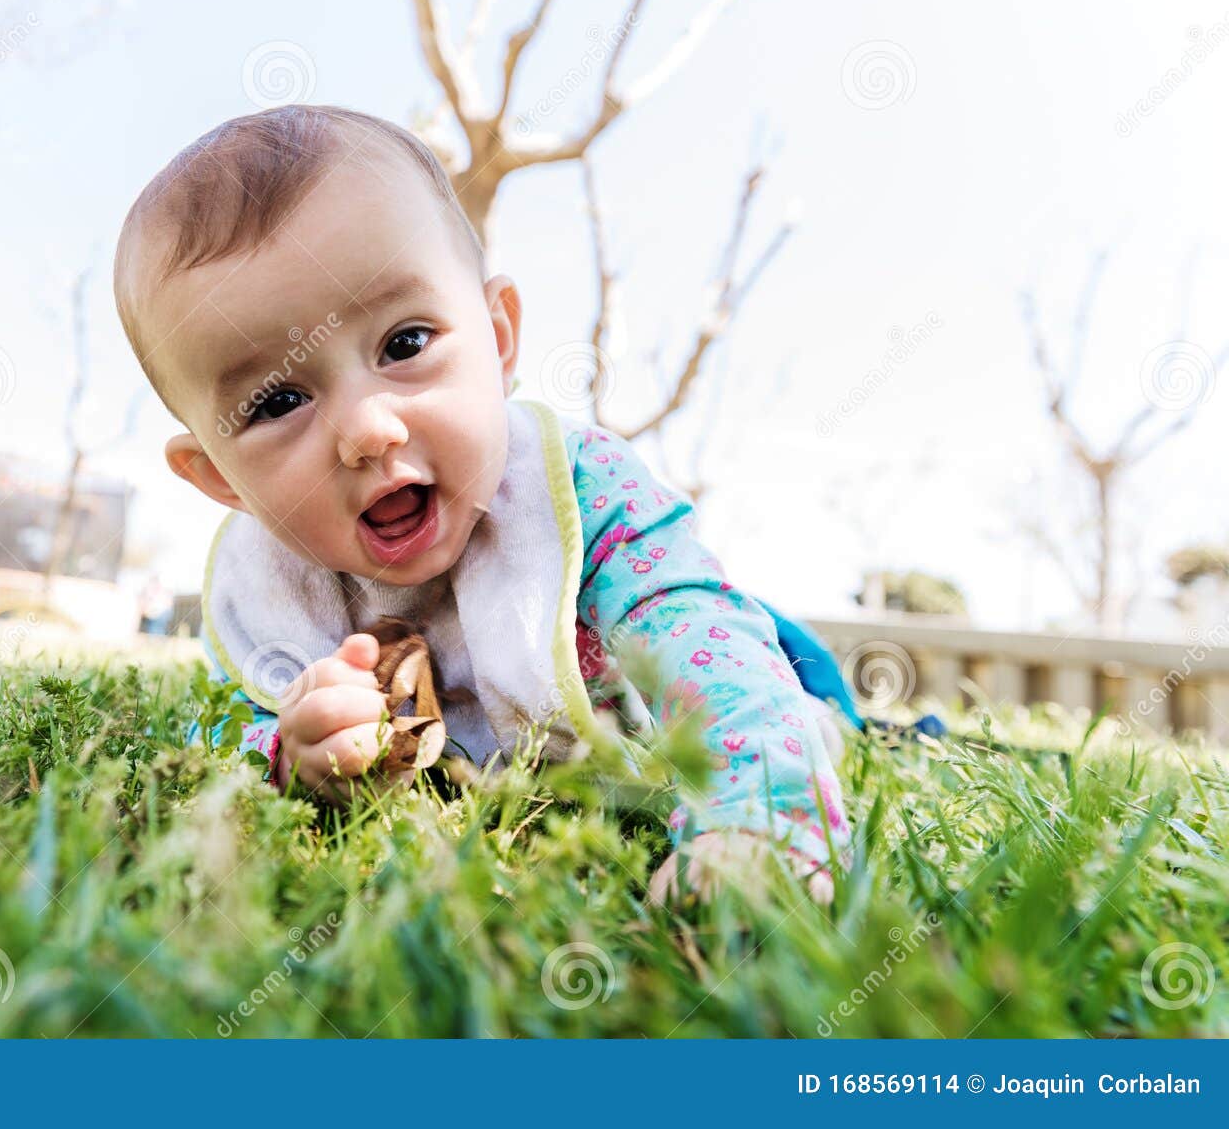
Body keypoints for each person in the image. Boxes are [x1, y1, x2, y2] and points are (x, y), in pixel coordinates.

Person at [112, 105, 851, 907]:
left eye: (404, 345)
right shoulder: (267, 591)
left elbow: (706, 643)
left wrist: (757, 821)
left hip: (757, 659)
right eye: (279, 399)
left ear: (498, 341)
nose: (366, 429)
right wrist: (292, 747)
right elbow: (214, 733)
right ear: (220, 479)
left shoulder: (578, 491)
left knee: (809, 703)